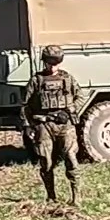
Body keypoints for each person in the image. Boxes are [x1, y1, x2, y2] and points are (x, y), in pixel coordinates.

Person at [23, 44, 89, 205]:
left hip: (65, 126)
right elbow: (25, 105)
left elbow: (81, 97)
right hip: (43, 125)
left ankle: (76, 197)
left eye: (55, 62)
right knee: (46, 162)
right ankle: (51, 197)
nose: (52, 66)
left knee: (71, 158)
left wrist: (69, 111)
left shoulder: (67, 79)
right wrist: (28, 126)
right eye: (49, 62)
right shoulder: (36, 80)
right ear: (44, 62)